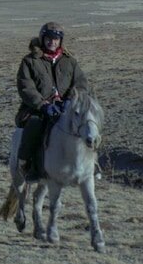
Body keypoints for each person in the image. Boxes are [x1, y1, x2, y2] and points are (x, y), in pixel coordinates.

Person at [15, 22, 88, 181]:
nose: (52, 42)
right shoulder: (29, 61)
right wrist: (43, 105)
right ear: (42, 38)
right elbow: (25, 87)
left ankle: (90, 165)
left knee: (87, 123)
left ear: (60, 41)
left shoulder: (70, 61)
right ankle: (27, 165)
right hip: (38, 108)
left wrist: (70, 100)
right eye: (48, 38)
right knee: (34, 124)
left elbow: (81, 83)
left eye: (56, 39)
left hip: (66, 107)